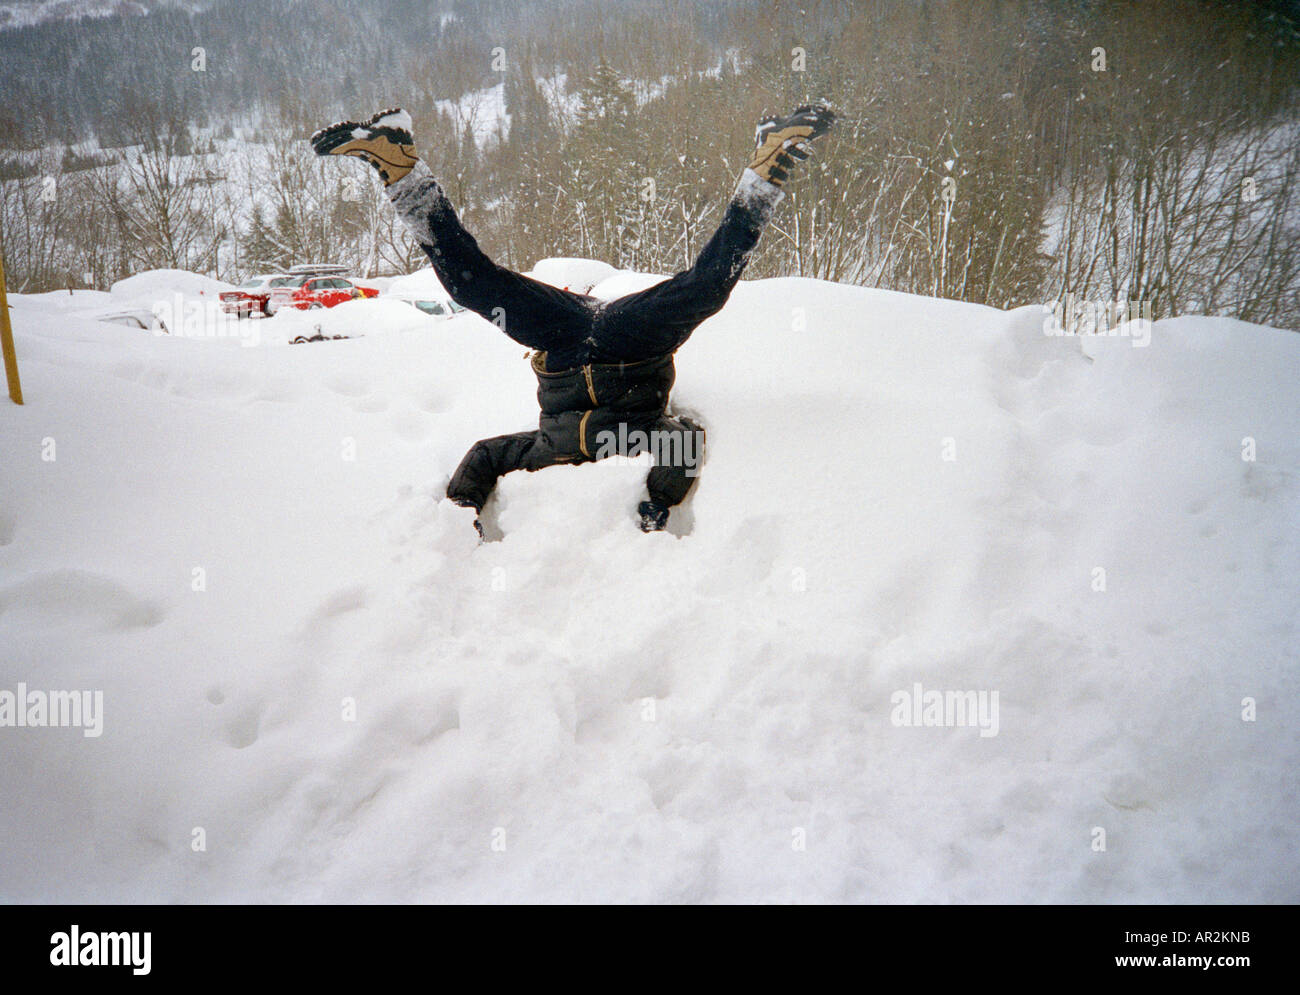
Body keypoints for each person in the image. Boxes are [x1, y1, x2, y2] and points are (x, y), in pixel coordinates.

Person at [311, 100, 834, 535]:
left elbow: (485, 456)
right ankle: (766, 167)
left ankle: (400, 168)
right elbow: (685, 440)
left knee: (474, 284)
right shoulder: (640, 440)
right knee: (705, 287)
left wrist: (461, 507)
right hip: (632, 344)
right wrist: (656, 503)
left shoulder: (540, 452)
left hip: (561, 340)